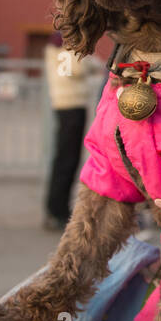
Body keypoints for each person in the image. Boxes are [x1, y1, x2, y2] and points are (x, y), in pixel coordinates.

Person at [43, 31, 99, 229]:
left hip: (72, 105)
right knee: (66, 160)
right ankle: (56, 210)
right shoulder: (65, 51)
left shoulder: (61, 49)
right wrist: (85, 57)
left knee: (69, 159)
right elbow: (76, 70)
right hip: (70, 106)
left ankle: (59, 208)